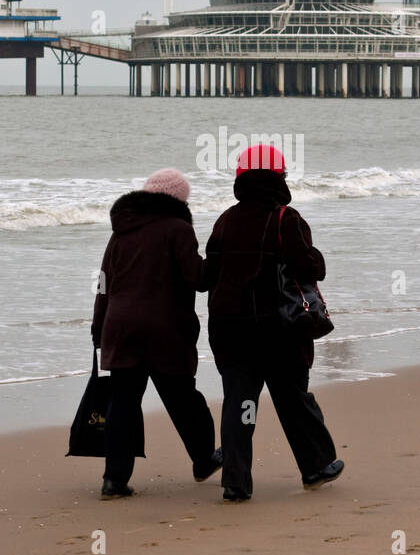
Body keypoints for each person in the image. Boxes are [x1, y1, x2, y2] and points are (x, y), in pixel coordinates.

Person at [204, 145, 343, 501]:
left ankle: (235, 483)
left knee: (240, 405)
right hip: (278, 331)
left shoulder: (225, 220)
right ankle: (315, 467)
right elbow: (309, 269)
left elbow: (207, 276)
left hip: (229, 330)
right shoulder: (286, 218)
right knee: (293, 399)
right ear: (278, 178)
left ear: (241, 180)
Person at [91, 168, 222, 498]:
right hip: (166, 328)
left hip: (120, 326)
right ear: (179, 200)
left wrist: (98, 326)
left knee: (123, 403)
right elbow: (198, 279)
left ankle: (114, 480)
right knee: (183, 399)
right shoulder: (178, 229)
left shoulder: (121, 230)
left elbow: (103, 282)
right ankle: (204, 459)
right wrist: (219, 259)